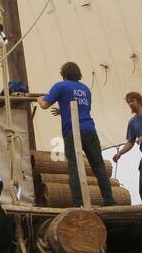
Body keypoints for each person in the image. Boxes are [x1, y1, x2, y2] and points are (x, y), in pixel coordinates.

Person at [39, 62, 116, 206]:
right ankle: (109, 199)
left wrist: (39, 99)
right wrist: (63, 110)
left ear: (63, 74)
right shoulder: (86, 89)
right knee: (98, 165)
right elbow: (81, 108)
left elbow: (44, 105)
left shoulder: (60, 86)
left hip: (73, 131)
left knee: (73, 165)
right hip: (90, 129)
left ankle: (78, 201)